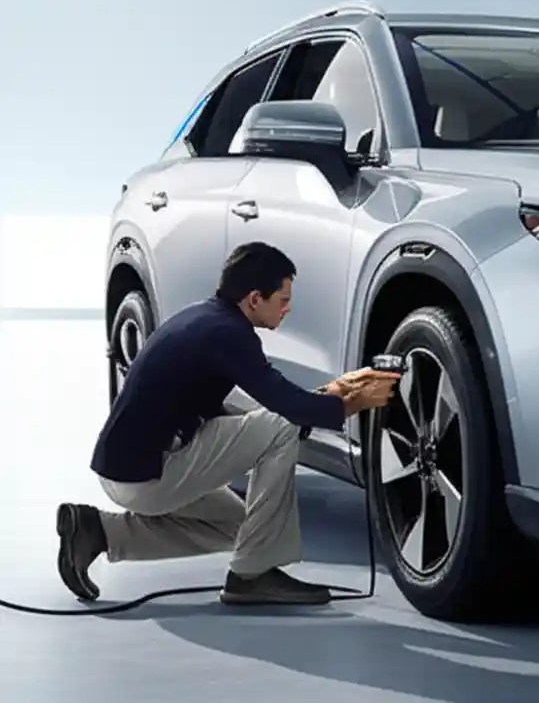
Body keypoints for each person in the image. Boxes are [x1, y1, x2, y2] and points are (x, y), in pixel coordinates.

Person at [55, 242, 401, 605]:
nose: (288, 308)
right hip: (147, 477)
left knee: (246, 530)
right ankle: (253, 576)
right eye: (281, 300)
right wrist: (356, 402)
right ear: (254, 299)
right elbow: (284, 408)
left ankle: (96, 531)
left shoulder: (204, 319)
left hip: (125, 469)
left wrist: (335, 390)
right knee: (281, 428)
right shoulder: (230, 335)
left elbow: (267, 405)